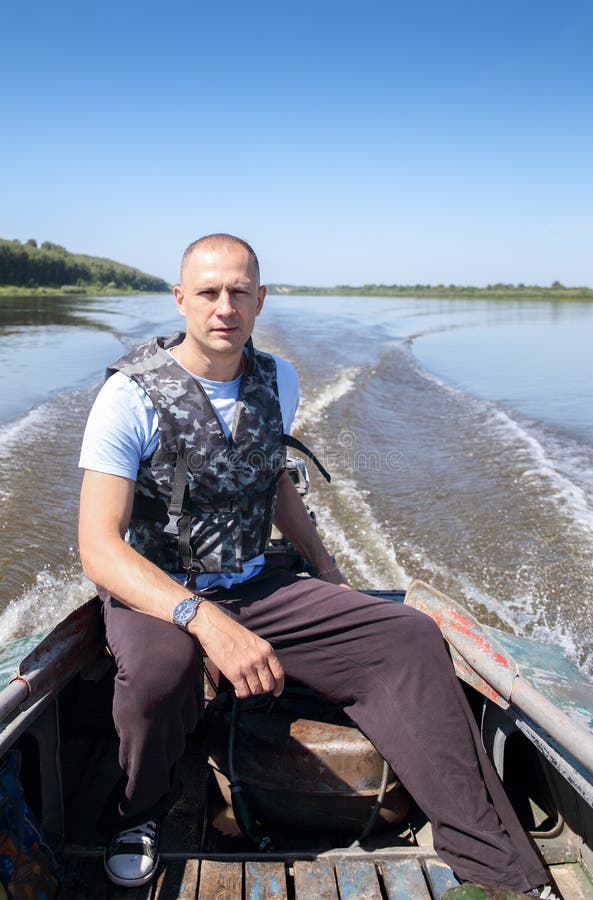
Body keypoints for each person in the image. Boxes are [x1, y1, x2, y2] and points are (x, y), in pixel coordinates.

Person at [78, 233, 555, 898]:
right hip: (161, 590)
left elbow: (271, 482)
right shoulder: (129, 396)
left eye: (239, 292)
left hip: (256, 581)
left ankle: (492, 861)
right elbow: (99, 547)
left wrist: (329, 575)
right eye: (209, 292)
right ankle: (138, 814)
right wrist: (204, 622)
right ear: (181, 299)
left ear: (260, 300)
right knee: (163, 670)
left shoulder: (279, 380)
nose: (225, 307)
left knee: (409, 636)